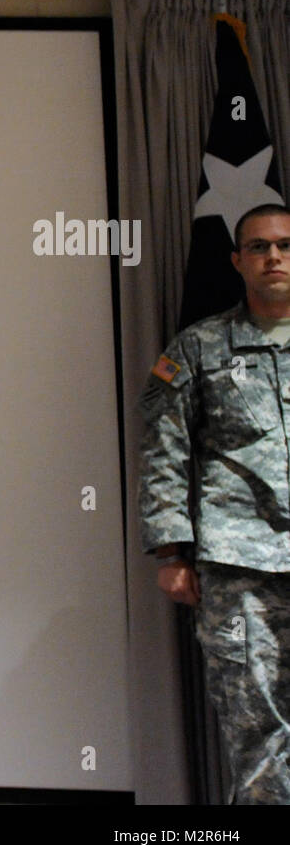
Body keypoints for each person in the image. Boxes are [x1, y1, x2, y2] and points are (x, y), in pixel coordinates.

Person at [139, 202, 290, 805]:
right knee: (257, 729)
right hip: (238, 568)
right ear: (236, 260)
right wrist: (171, 550)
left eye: (284, 245)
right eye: (258, 247)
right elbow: (163, 451)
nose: (273, 256)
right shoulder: (199, 349)